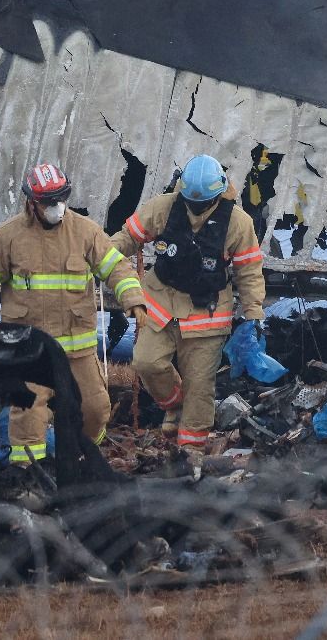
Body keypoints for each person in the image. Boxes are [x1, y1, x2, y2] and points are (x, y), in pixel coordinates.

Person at [0, 163, 145, 464]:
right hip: (31, 351)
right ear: (32, 202)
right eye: (49, 201)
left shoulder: (85, 231)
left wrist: (134, 299)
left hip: (78, 351)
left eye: (61, 198)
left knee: (96, 411)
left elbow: (116, 267)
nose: (56, 207)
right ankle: (27, 476)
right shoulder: (9, 237)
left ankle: (80, 459)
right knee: (28, 416)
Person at [111, 154, 265, 468]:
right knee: (146, 361)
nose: (195, 208)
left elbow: (249, 272)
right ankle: (173, 403)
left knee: (200, 387)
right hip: (160, 302)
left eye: (204, 202)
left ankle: (189, 456)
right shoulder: (162, 207)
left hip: (206, 314)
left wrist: (253, 315)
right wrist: (95, 256)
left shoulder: (238, 223)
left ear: (219, 194)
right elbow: (127, 239)